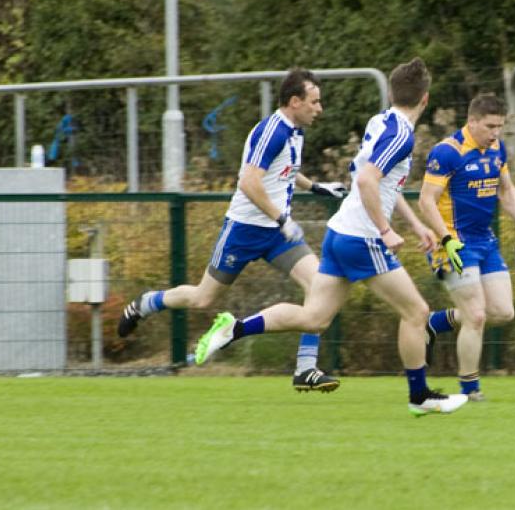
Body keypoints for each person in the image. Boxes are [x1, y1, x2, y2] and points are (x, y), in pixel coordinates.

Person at [194, 57, 468, 417]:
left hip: (340, 233)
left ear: (390, 92)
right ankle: (420, 397)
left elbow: (372, 178)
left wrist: (417, 226)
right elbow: (368, 180)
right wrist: (385, 231)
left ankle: (236, 328)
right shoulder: (402, 134)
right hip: (363, 237)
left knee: (315, 318)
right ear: (425, 99)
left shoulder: (380, 121)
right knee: (416, 312)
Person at [117, 68, 347, 392]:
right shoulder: (273, 131)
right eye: (314, 101)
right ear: (295, 101)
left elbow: (285, 170)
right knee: (202, 298)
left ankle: (305, 369)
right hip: (244, 230)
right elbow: (249, 182)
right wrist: (283, 219)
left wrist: (316, 186)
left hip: (277, 235)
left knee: (319, 287)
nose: (319, 108)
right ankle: (145, 303)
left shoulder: (295, 131)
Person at [418, 93, 515, 401]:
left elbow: (506, 189)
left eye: (500, 126)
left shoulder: (497, 149)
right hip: (453, 245)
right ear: (472, 122)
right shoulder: (447, 152)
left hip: (485, 242)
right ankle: (470, 390)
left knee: (502, 312)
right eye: (490, 126)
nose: (496, 133)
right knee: (475, 315)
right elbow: (425, 200)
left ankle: (433, 323)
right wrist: (446, 240)